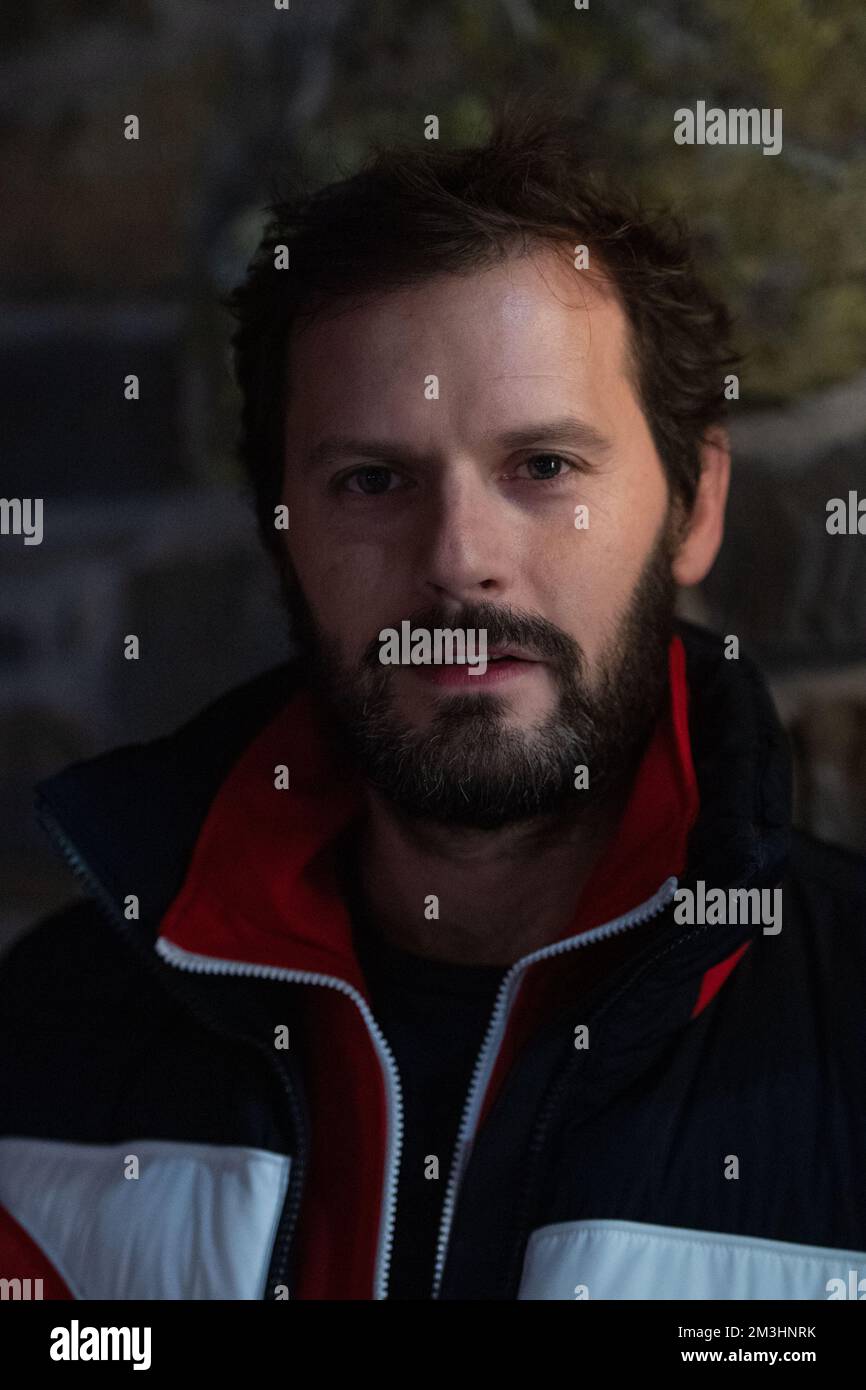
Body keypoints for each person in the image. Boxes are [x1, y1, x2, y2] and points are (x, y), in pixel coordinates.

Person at [1, 110, 865, 1302]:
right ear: (280, 532)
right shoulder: (41, 1030)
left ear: (693, 502)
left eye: (542, 467)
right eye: (370, 480)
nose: (458, 560)